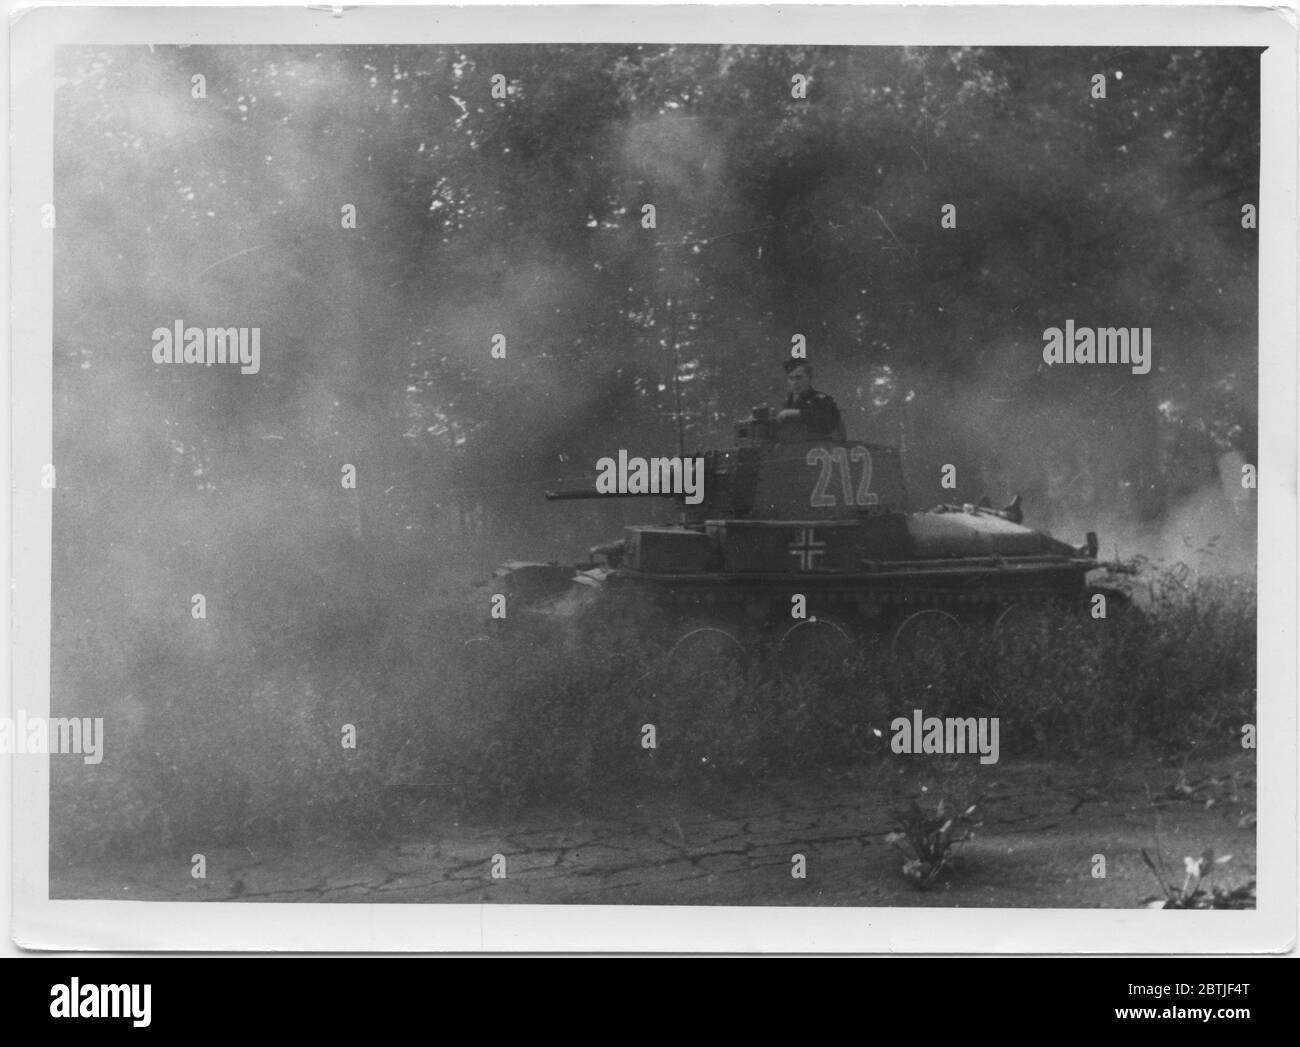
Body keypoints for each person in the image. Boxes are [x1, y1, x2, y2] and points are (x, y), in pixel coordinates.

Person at [778, 361, 845, 442]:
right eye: (791, 378)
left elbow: (828, 422)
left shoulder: (822, 400)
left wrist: (797, 413)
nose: (794, 382)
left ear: (809, 378)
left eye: (799, 378)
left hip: (819, 450)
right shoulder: (787, 403)